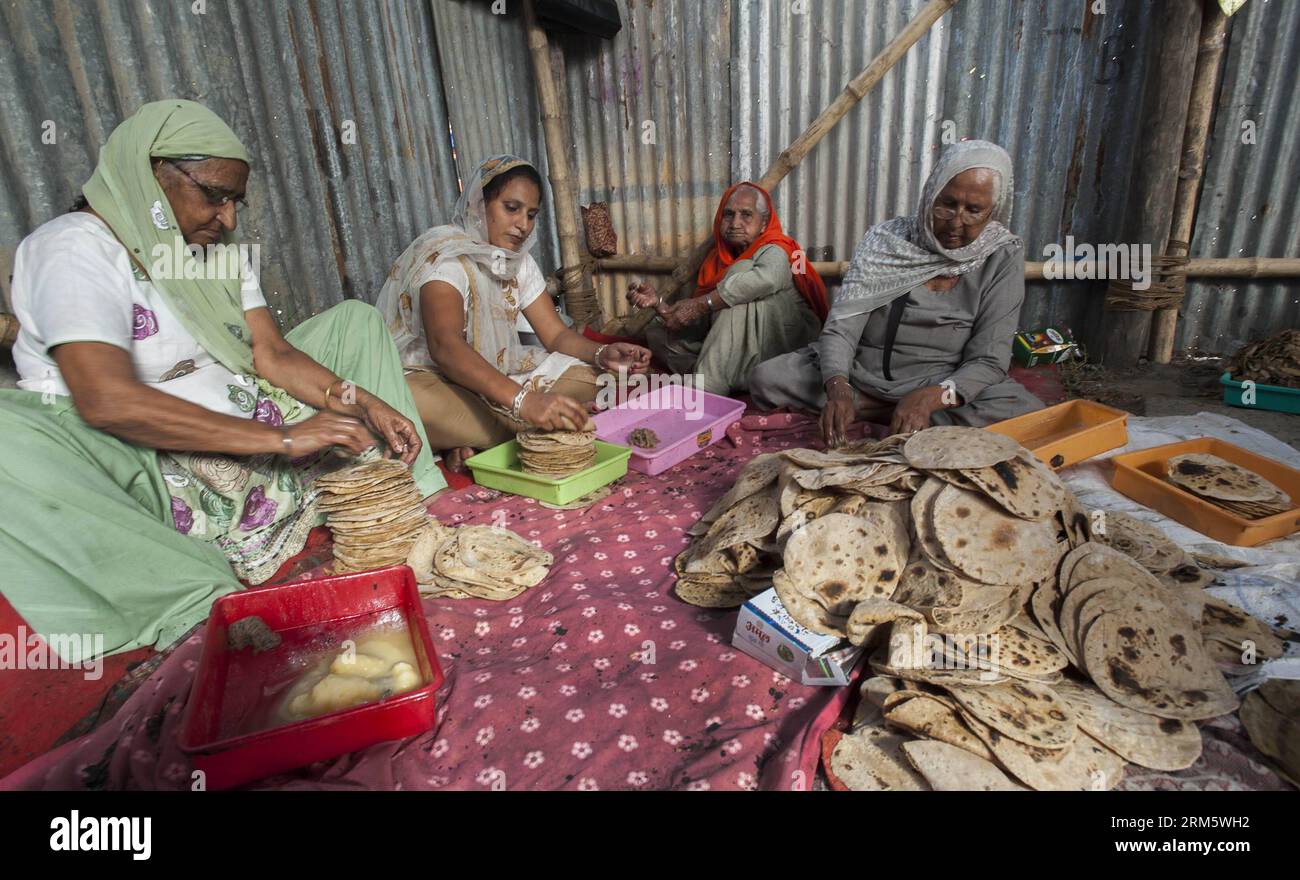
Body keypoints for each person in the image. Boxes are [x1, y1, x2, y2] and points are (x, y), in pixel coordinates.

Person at [0, 100, 441, 660]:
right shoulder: (74, 247)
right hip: (135, 451)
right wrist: (286, 439)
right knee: (5, 439)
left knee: (352, 320)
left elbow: (272, 354)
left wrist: (363, 401)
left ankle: (403, 499)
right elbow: (106, 398)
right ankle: (189, 595)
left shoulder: (212, 252)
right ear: (150, 174)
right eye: (215, 195)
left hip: (240, 401)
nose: (228, 219)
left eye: (236, 201)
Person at [750, 140, 1042, 446]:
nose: (956, 222)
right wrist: (838, 387)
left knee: (1026, 412)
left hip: (940, 383)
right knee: (766, 379)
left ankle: (892, 411)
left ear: (994, 211)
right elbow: (842, 329)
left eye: (973, 211)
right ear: (930, 196)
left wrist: (930, 399)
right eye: (947, 204)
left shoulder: (1002, 255)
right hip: (863, 375)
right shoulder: (886, 242)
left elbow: (989, 359)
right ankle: (892, 412)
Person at [378, 155, 651, 470]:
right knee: (414, 406)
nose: (523, 225)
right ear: (480, 204)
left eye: (531, 214)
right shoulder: (447, 258)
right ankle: (511, 429)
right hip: (432, 380)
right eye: (511, 208)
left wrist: (603, 353)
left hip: (496, 376)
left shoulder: (517, 261)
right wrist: (524, 402)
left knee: (601, 379)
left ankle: (477, 439)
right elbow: (445, 346)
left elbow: (556, 334)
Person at [627, 181, 828, 396]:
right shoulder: (717, 259)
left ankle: (705, 387)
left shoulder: (777, 247)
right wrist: (661, 306)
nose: (735, 223)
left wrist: (703, 304)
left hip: (786, 341)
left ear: (764, 223)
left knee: (739, 288)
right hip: (741, 342)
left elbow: (767, 279)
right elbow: (706, 320)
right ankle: (733, 376)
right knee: (658, 334)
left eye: (746, 214)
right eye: (729, 214)